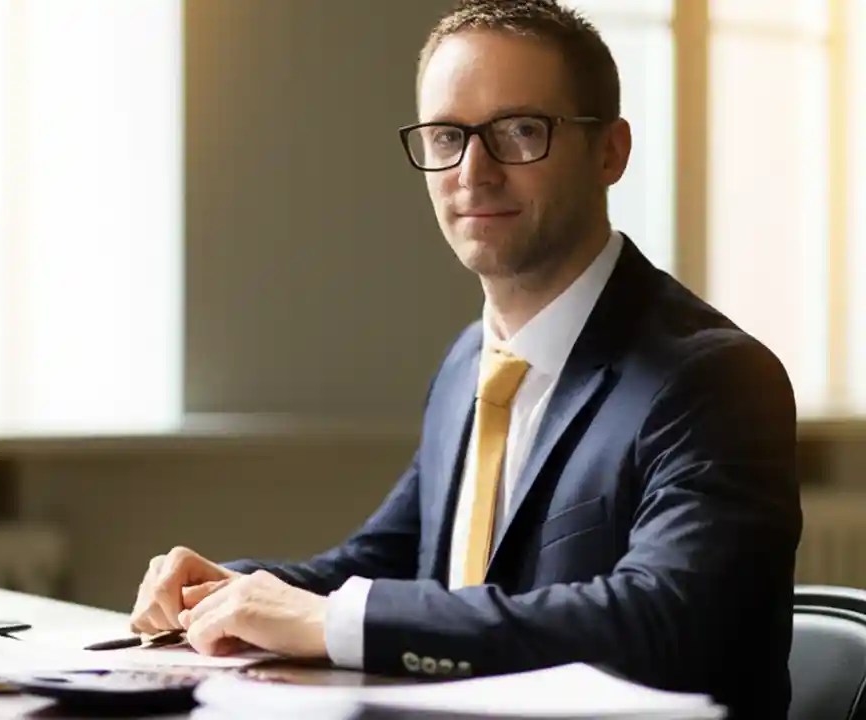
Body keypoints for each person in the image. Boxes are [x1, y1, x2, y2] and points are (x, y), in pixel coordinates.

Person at [129, 1, 802, 715]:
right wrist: (226, 591)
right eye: (447, 135)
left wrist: (333, 622)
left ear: (610, 151)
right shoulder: (468, 363)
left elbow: (666, 620)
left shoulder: (716, 378)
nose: (473, 172)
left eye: (519, 131)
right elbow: (383, 563)